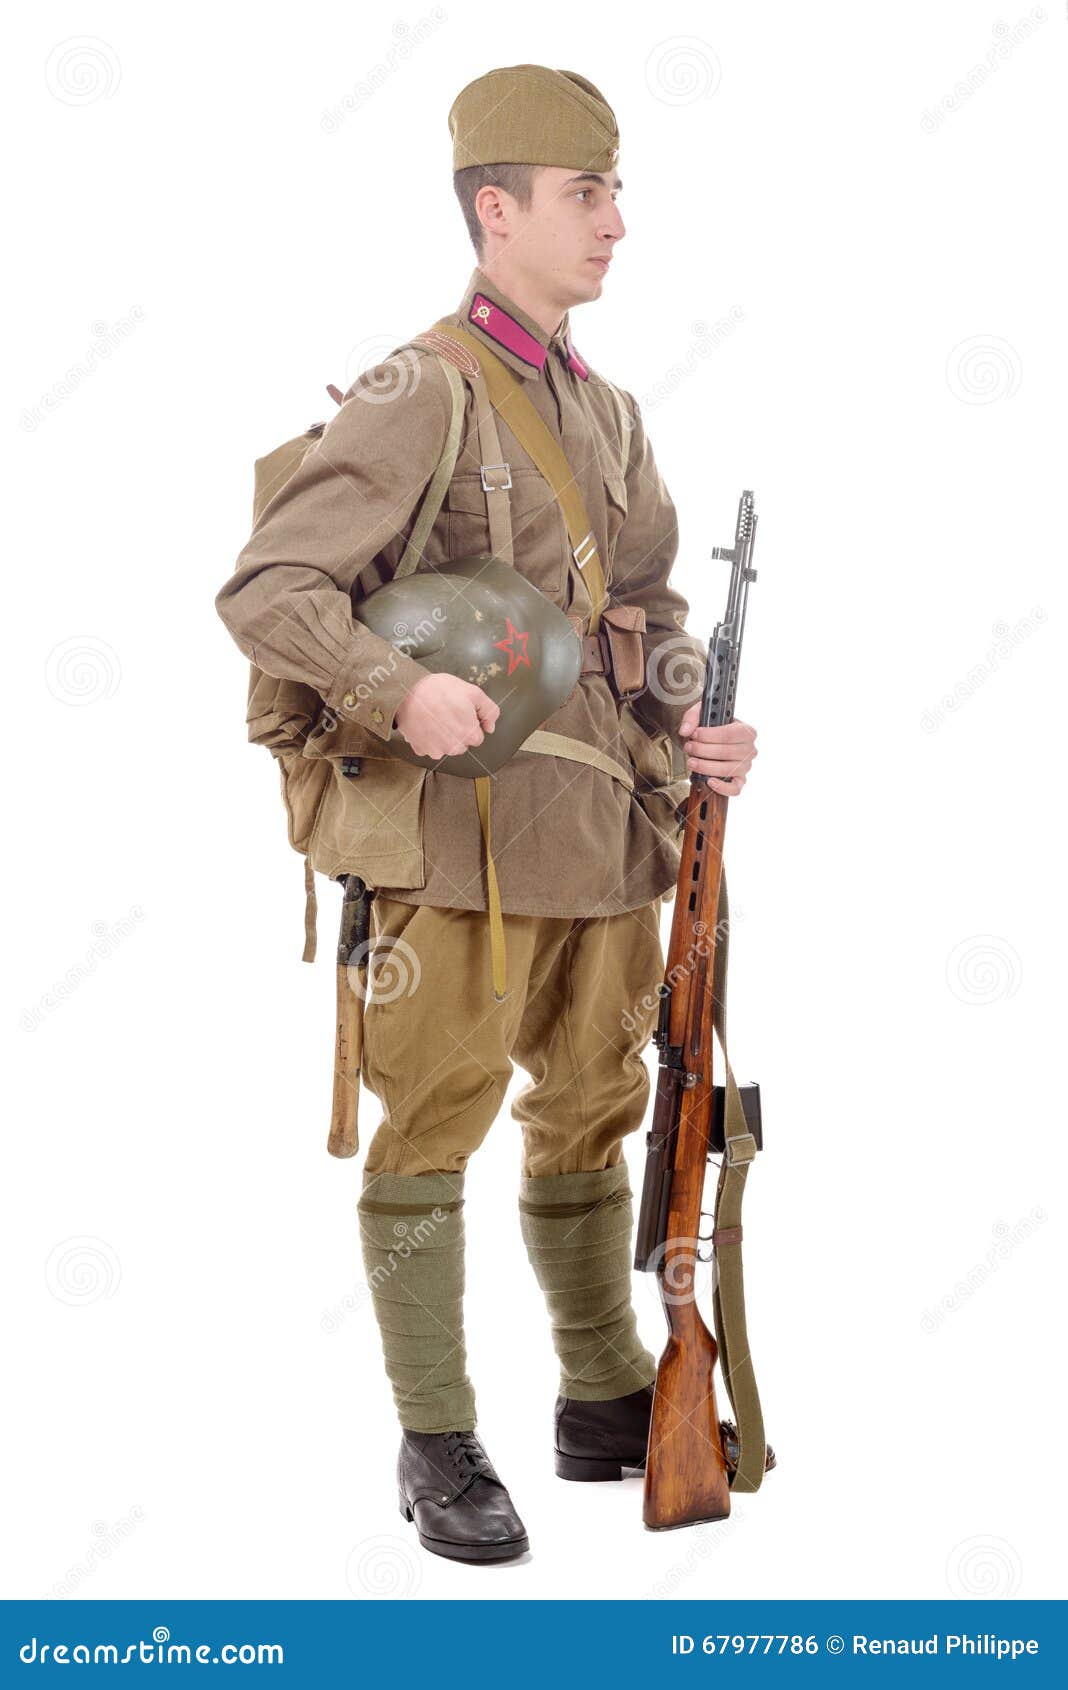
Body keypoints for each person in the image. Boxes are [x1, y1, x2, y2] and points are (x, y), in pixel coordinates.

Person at [215, 63, 760, 1566]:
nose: (617, 223)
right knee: (437, 1116)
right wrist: (395, 690)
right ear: (494, 207)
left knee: (595, 1106)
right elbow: (270, 591)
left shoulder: (610, 410)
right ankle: (438, 1433)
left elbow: (641, 610)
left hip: (598, 840)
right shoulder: (415, 391)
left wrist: (694, 718)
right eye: (589, 195)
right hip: (453, 851)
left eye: (617, 191)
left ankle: (601, 1391)